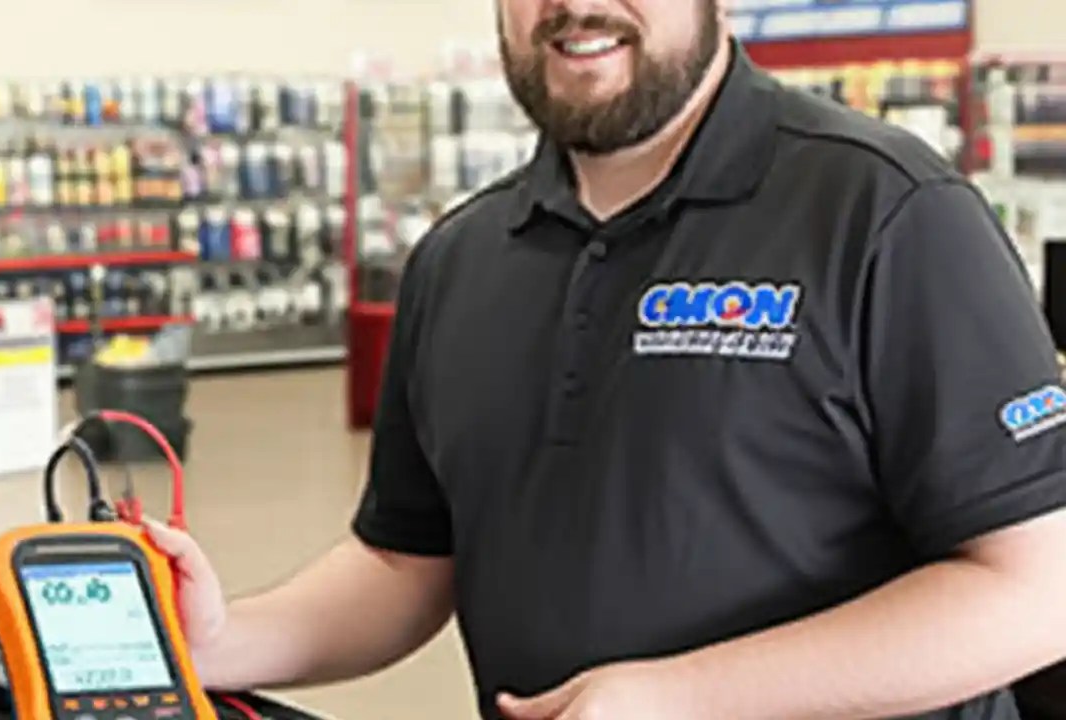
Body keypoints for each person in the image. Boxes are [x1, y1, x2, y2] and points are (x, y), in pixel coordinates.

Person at [146, 1, 1066, 718]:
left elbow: (1038, 589)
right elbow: (406, 564)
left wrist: (684, 698)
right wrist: (223, 642)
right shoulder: (461, 256)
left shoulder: (888, 212)